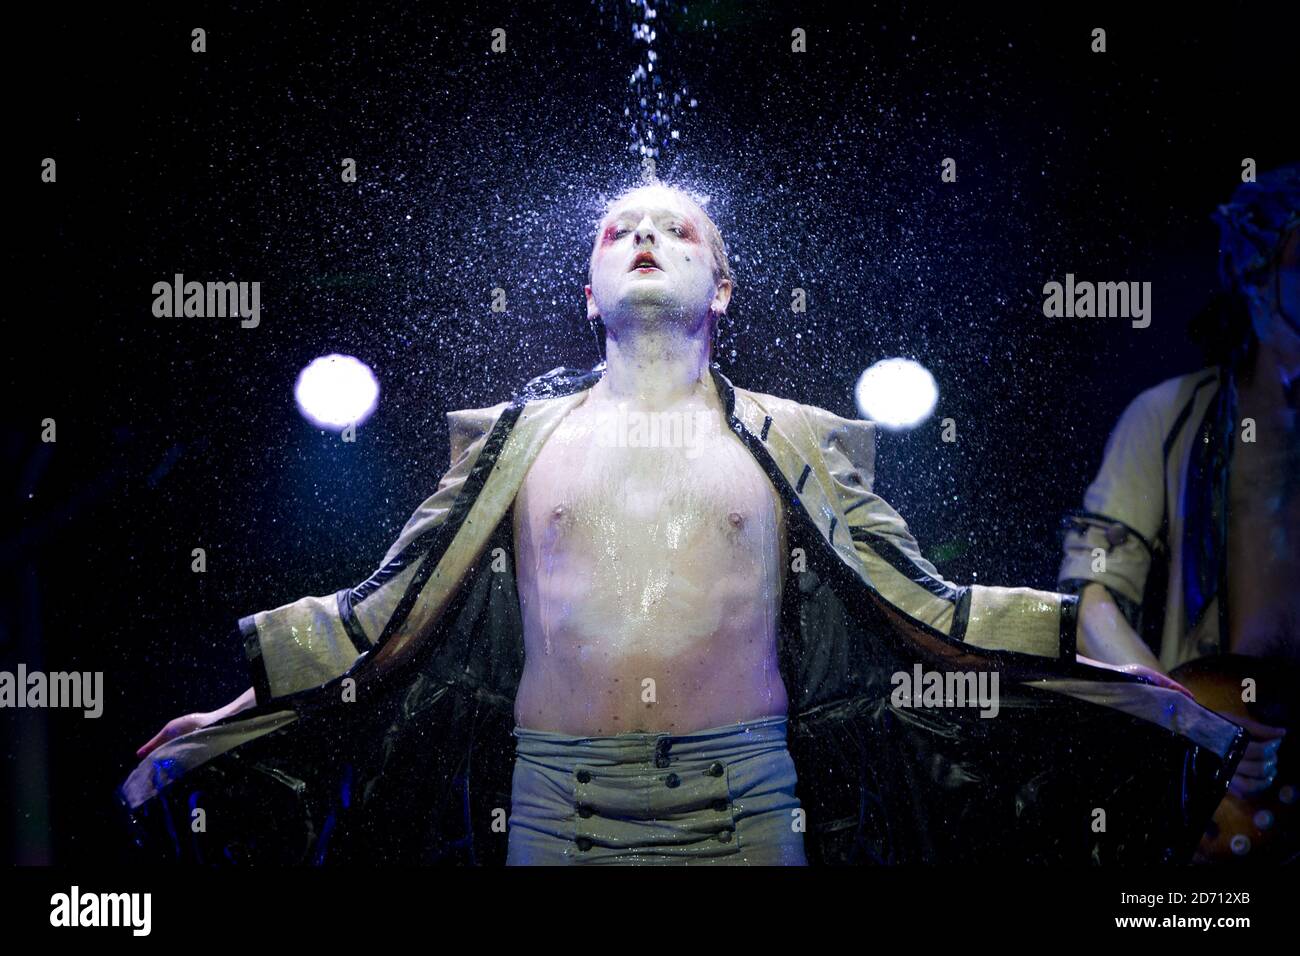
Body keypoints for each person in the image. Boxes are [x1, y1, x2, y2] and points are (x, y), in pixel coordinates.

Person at [124, 181, 1236, 866]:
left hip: (747, 794)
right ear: (588, 290)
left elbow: (932, 610)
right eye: (619, 229)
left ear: (723, 289)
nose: (645, 236)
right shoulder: (517, 439)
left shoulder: (794, 440)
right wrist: (227, 715)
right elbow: (384, 612)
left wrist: (1135, 691)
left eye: (677, 229)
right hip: (556, 797)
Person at [1059, 165, 1299, 803]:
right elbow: (1089, 602)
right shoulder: (1165, 417)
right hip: (1216, 805)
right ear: (1254, 277)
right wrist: (1183, 720)